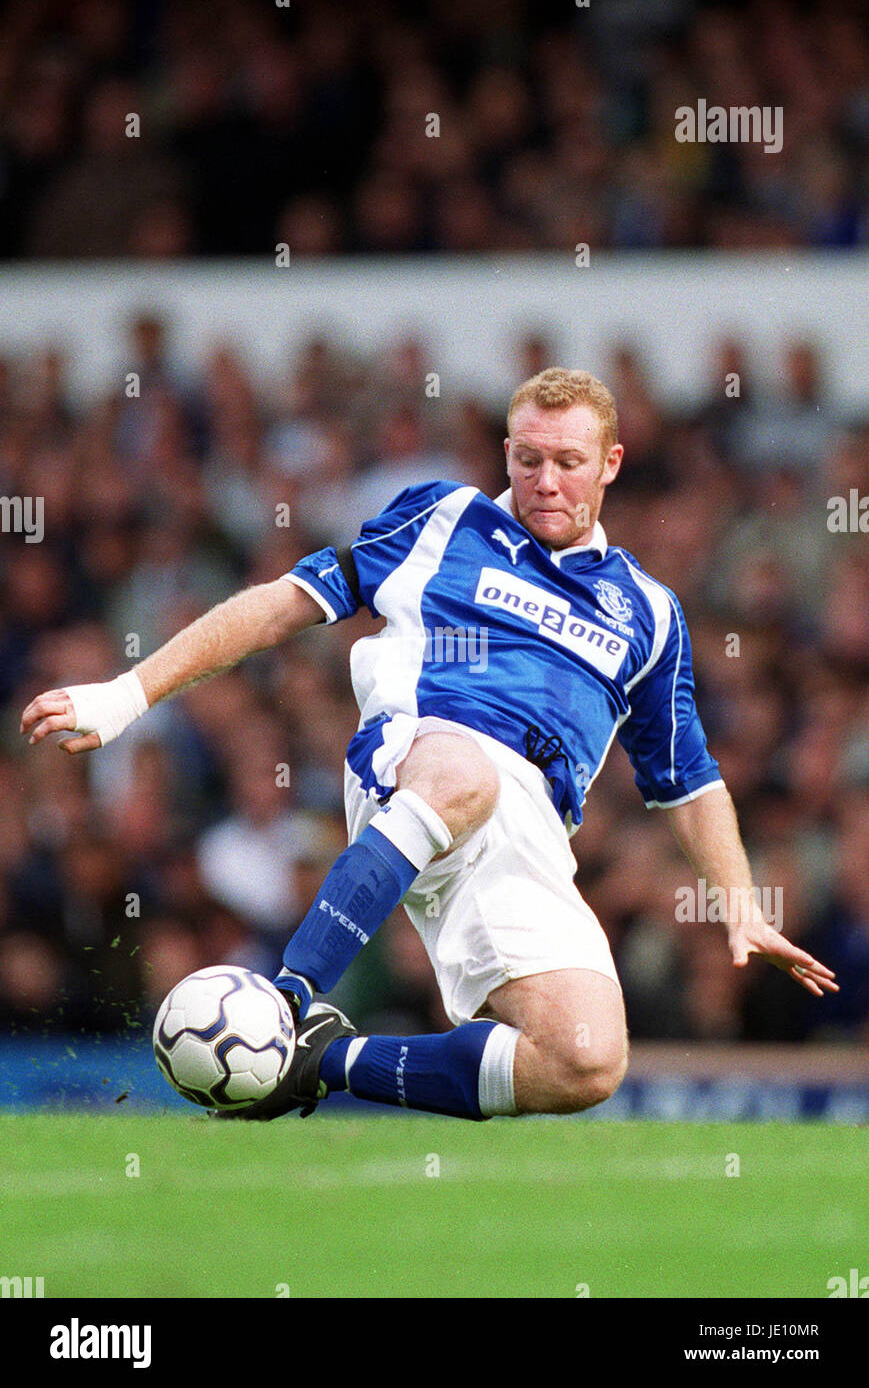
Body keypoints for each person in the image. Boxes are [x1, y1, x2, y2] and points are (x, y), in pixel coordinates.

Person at [21, 368, 837, 1121]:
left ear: (612, 463)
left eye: (568, 461)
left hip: (531, 830)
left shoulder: (649, 613)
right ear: (505, 453)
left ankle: (313, 1064)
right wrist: (126, 695)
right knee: (464, 771)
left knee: (585, 1061)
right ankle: (287, 995)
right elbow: (282, 603)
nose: (544, 481)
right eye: (526, 458)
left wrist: (738, 905)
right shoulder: (443, 518)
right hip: (422, 752)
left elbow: (686, 781)